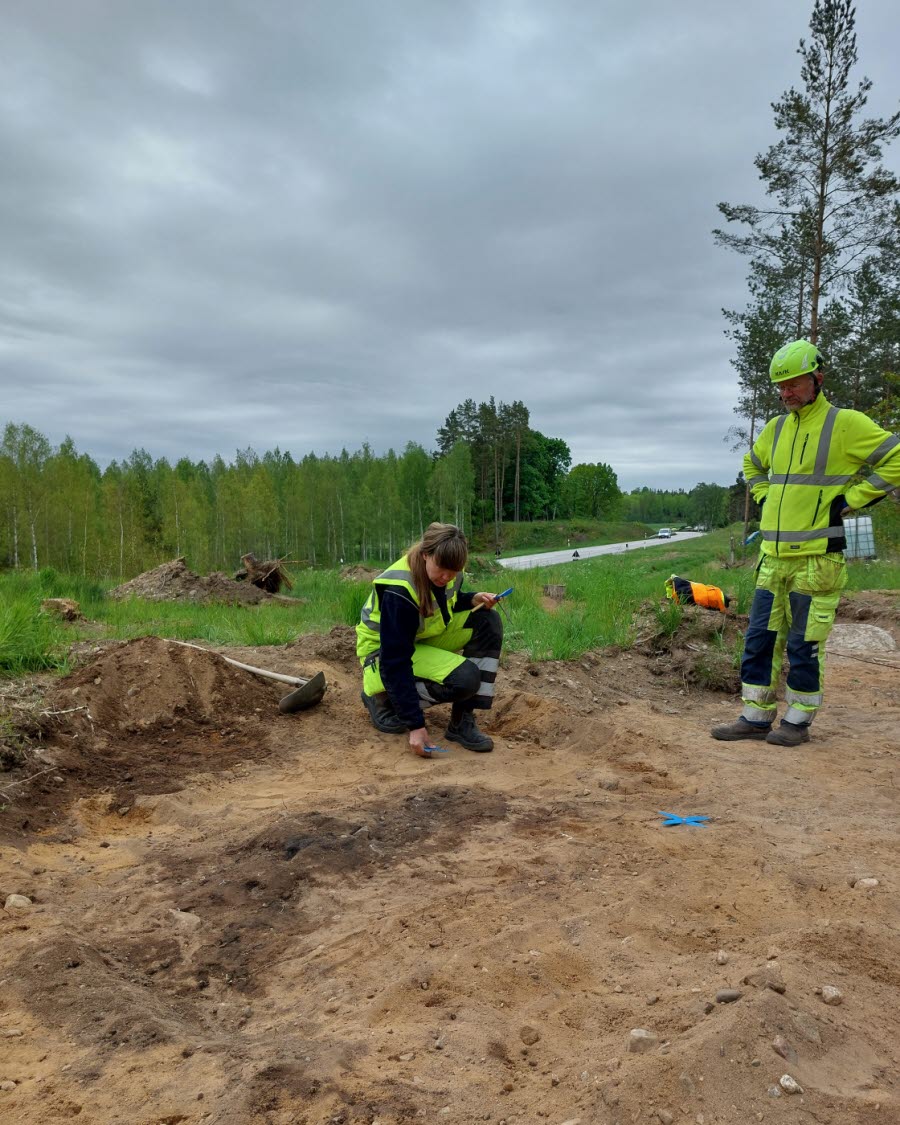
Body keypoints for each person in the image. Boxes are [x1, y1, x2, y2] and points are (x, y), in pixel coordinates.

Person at [712, 339, 900, 747]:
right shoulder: (776, 428)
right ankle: (755, 716)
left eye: (793, 384)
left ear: (817, 377)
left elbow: (895, 457)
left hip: (817, 560)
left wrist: (851, 500)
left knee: (803, 644)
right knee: (759, 639)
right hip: (772, 559)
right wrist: (762, 495)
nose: (786, 393)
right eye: (780, 386)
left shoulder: (845, 424)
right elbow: (752, 464)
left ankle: (797, 722)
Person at [356, 523, 504, 758]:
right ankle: (385, 700)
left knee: (486, 620)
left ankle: (462, 723)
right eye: (442, 569)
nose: (447, 577)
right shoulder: (400, 590)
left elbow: (442, 603)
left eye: (453, 571)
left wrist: (471, 599)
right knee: (465, 679)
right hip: (381, 655)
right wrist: (415, 725)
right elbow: (394, 661)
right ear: (426, 554)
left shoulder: (449, 570)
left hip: (418, 638)